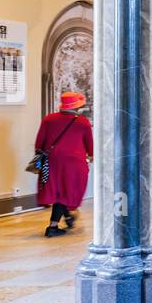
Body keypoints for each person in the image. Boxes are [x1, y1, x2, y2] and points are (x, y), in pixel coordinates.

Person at [35, 91, 93, 237]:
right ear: (76, 106)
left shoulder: (49, 119)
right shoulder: (82, 122)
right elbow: (89, 144)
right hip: (74, 162)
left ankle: (67, 217)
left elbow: (39, 143)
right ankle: (52, 226)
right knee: (67, 190)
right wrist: (91, 155)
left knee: (58, 189)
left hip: (51, 160)